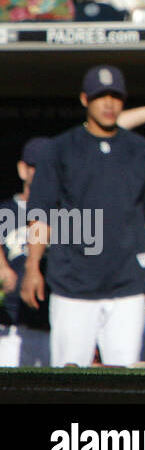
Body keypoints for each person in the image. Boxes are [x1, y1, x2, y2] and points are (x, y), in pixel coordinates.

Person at [20, 66, 145, 367]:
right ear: (84, 99)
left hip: (127, 285)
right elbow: (41, 212)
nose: (108, 104)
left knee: (125, 379)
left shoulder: (140, 150)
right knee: (69, 376)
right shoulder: (61, 148)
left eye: (115, 96)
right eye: (100, 96)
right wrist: (32, 266)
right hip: (72, 284)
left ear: (124, 100)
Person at [0, 138, 53, 367]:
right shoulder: (5, 211)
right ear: (23, 169)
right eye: (37, 167)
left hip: (55, 326)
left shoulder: (68, 214)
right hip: (10, 327)